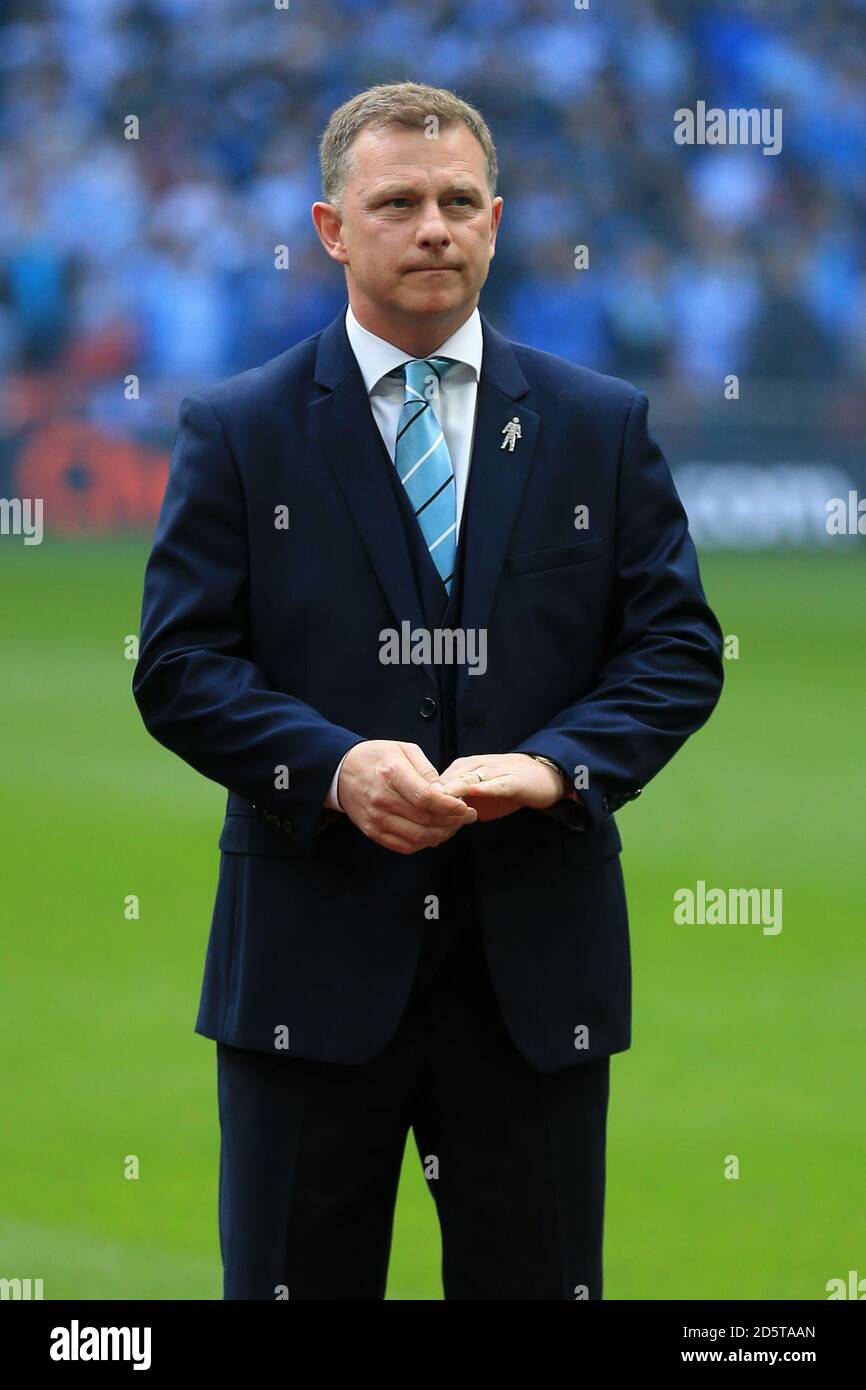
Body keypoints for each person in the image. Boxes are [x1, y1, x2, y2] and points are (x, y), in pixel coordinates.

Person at [132, 80, 724, 1300]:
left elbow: (673, 649)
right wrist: (334, 767)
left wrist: (558, 767)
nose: (434, 227)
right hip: (307, 975)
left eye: (459, 201)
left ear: (498, 222)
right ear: (331, 229)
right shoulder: (238, 430)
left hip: (532, 982)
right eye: (396, 202)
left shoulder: (597, 425)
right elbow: (181, 665)